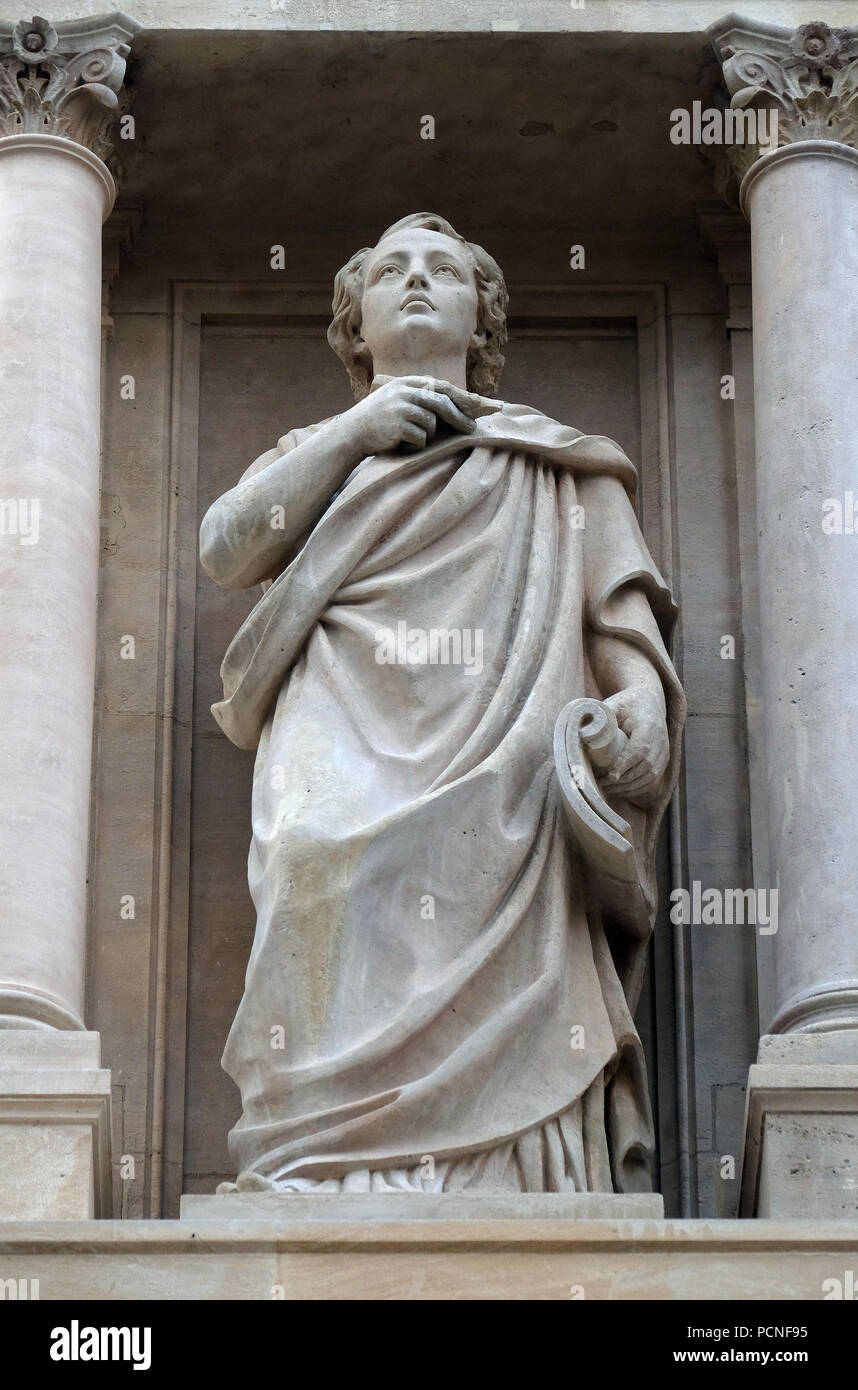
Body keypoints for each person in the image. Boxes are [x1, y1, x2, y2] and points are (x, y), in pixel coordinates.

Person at [200, 212, 685, 1194]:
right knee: (310, 858)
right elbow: (228, 547)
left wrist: (639, 704)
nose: (417, 280)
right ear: (357, 326)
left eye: (443, 271)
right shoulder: (318, 451)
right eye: (391, 272)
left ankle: (507, 1170)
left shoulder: (554, 461)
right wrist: (354, 433)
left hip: (505, 748)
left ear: (481, 320)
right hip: (338, 718)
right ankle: (320, 1163)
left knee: (488, 863)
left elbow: (616, 614)